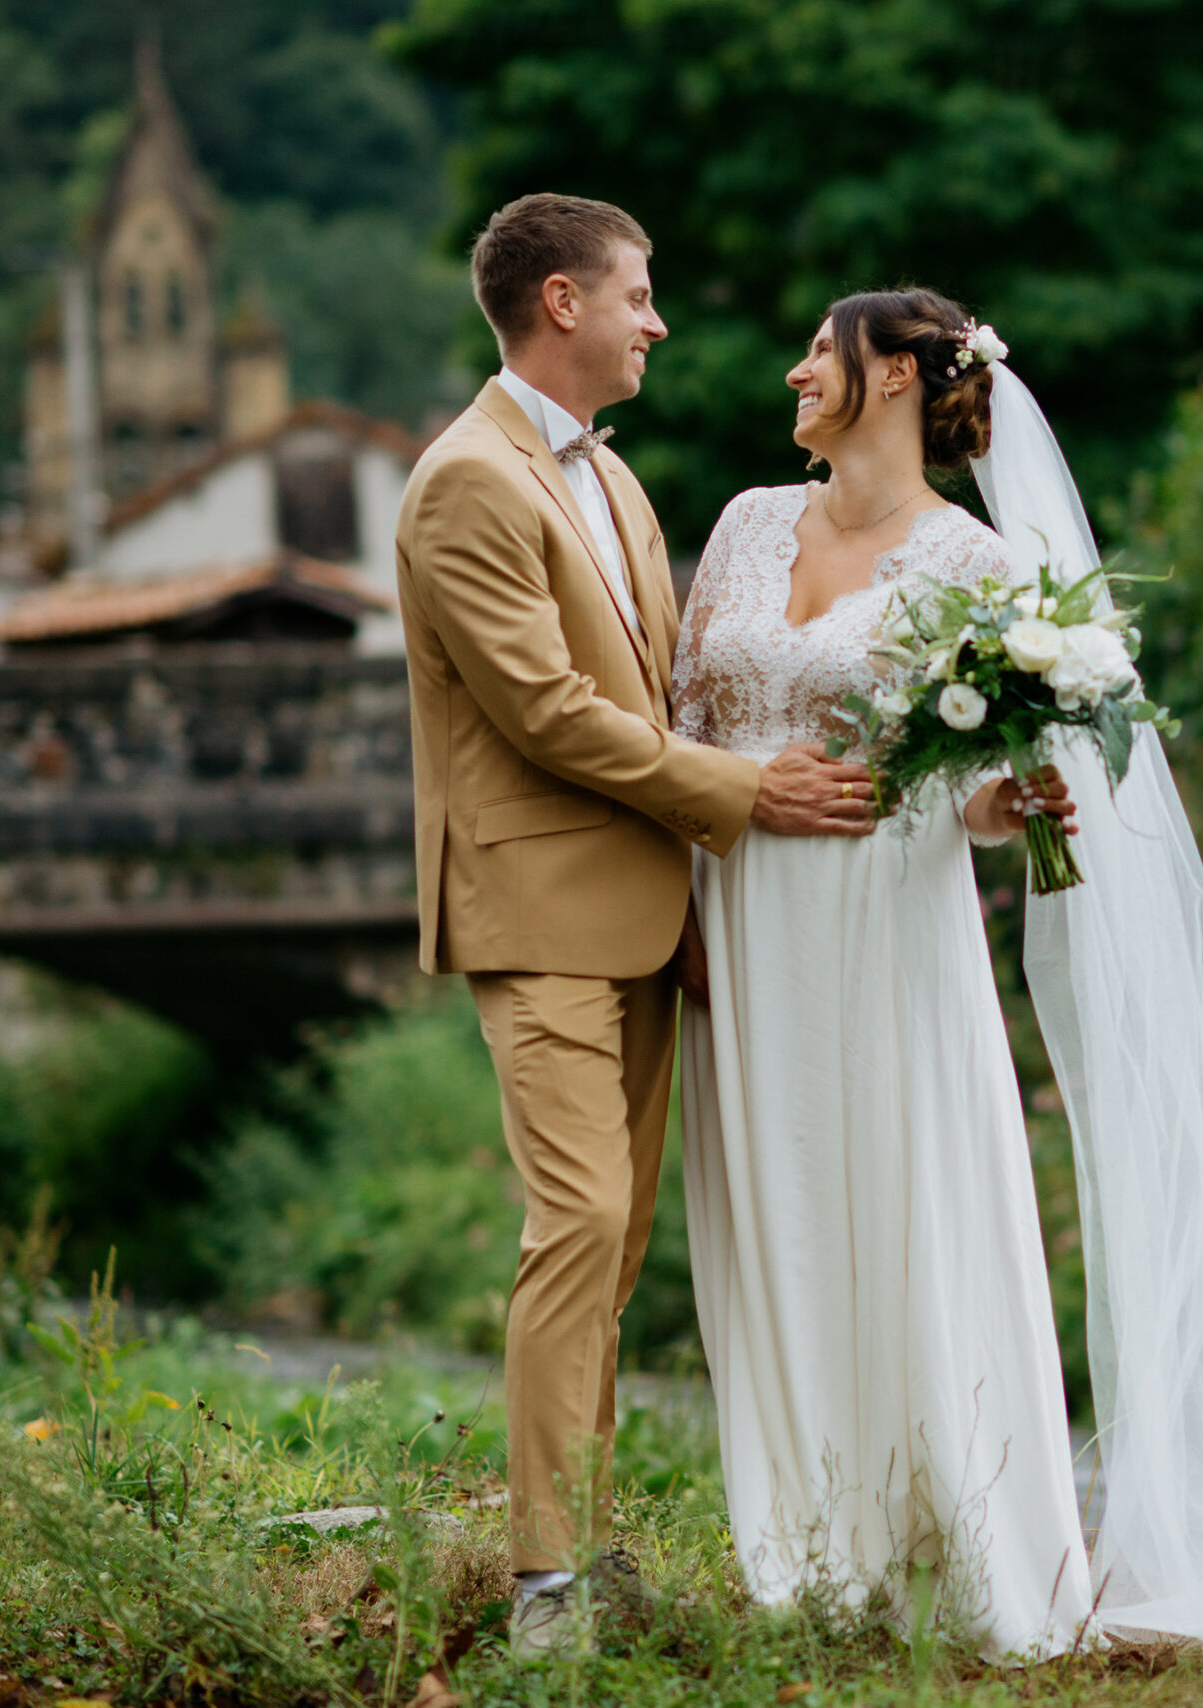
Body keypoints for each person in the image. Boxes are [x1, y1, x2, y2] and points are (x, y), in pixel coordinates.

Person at [671, 288, 1203, 1662]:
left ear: (891, 378)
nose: (793, 370)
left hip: (886, 927)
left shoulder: (980, 564)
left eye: (818, 353)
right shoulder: (747, 524)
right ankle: (803, 1550)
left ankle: (957, 1544)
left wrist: (1013, 811)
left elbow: (982, 788)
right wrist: (687, 905)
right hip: (744, 918)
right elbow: (684, 720)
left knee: (909, 1202)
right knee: (769, 1214)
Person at [391, 192, 872, 1654]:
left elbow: (656, 690)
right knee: (580, 1220)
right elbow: (544, 716)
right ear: (560, 303)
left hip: (652, 911)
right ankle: (544, 1583)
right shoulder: (465, 481)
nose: (657, 321)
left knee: (621, 1235)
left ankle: (589, 1549)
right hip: (533, 906)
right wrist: (744, 795)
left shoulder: (614, 479)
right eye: (638, 295)